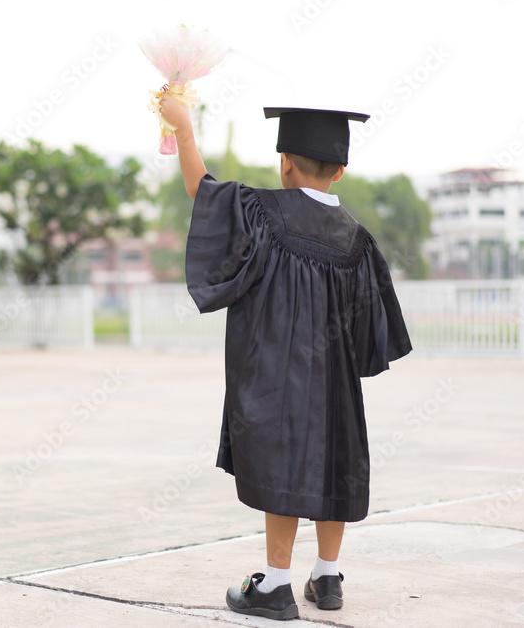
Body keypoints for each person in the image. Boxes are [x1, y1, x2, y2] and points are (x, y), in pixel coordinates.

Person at [157, 92, 412, 621]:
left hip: (276, 378)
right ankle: (327, 575)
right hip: (336, 388)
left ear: (284, 161)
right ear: (339, 171)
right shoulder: (359, 242)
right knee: (333, 464)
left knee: (283, 466)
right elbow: (373, 332)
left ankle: (274, 584)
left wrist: (183, 126)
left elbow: (200, 190)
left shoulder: (262, 213)